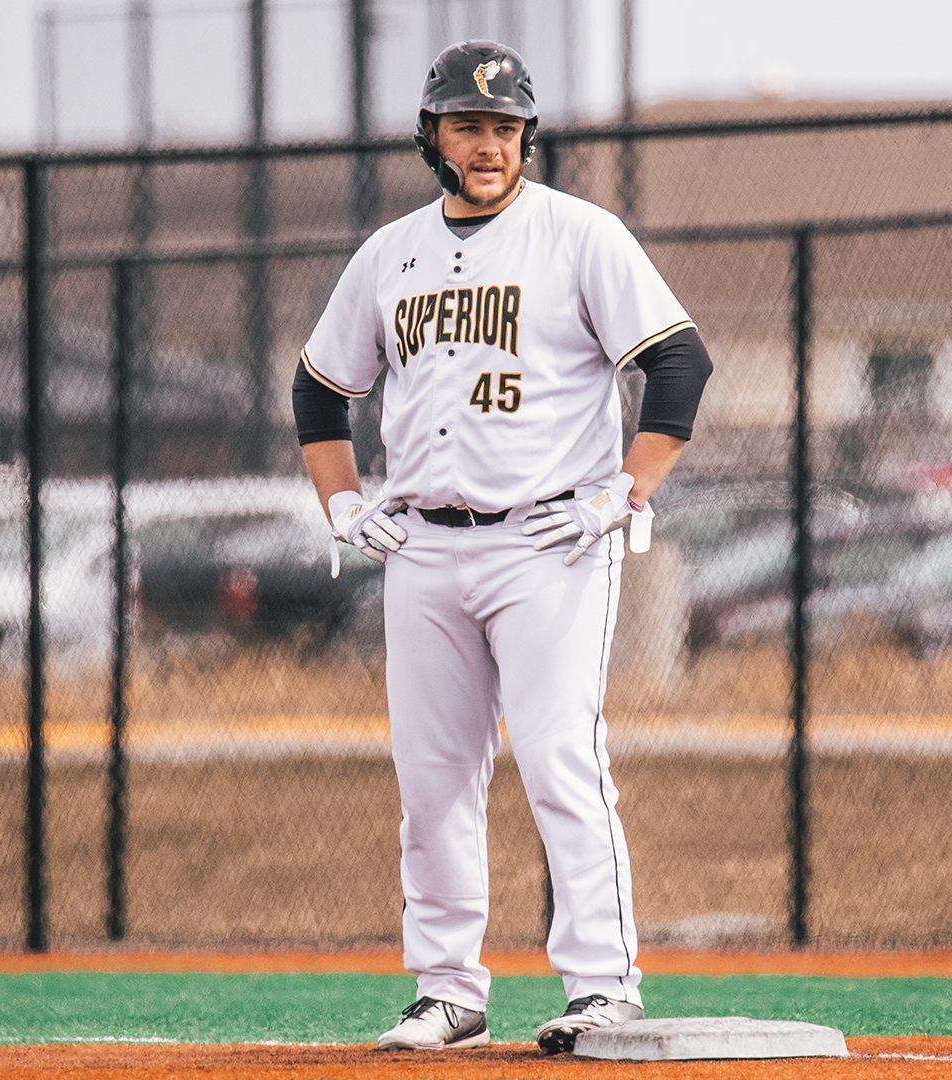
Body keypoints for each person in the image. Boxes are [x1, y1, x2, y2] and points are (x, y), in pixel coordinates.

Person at [291, 39, 712, 1055]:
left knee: (562, 760)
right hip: (424, 548)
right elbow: (318, 389)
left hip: (550, 541)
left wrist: (626, 490)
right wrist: (344, 507)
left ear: (529, 136)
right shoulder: (390, 253)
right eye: (469, 125)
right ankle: (449, 994)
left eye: (506, 127)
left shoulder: (578, 235)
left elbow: (680, 365)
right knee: (433, 778)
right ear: (431, 135)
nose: (489, 144)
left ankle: (604, 985)